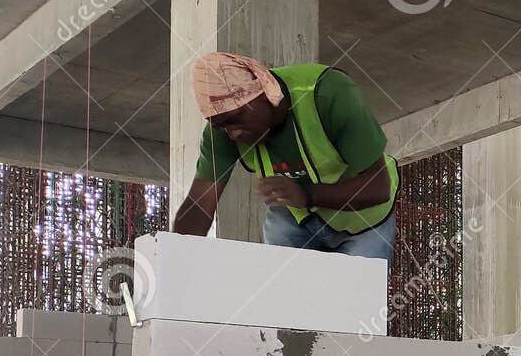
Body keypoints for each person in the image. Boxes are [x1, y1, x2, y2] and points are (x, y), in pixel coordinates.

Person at [171, 52, 399, 260]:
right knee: (282, 287)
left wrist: (306, 194)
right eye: (222, 126)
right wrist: (175, 260)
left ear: (263, 93)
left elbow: (377, 188)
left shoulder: (329, 93)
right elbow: (200, 203)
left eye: (237, 119)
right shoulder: (223, 128)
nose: (233, 133)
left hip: (363, 221)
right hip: (299, 216)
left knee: (356, 291)